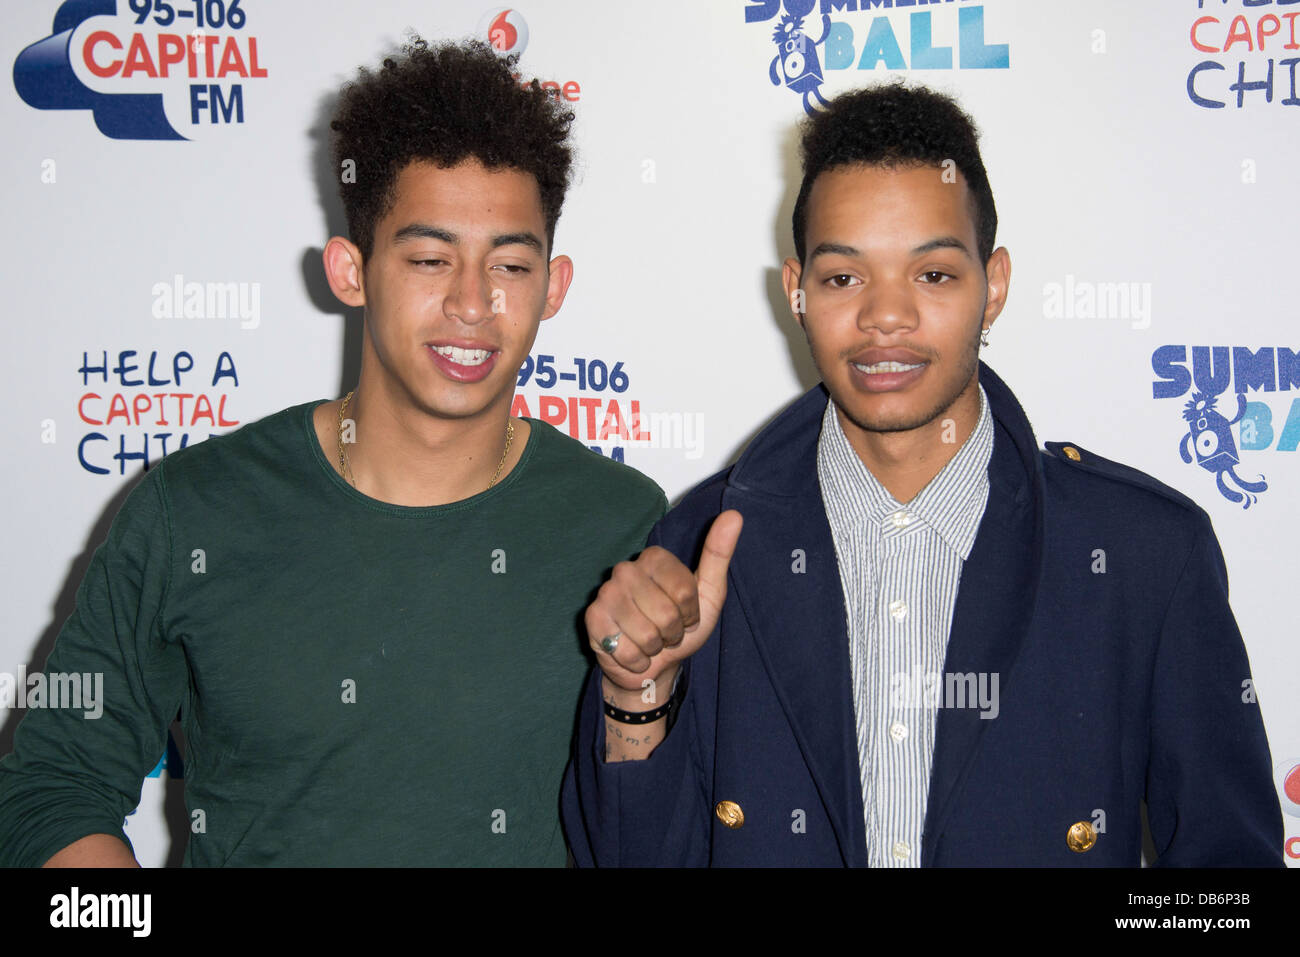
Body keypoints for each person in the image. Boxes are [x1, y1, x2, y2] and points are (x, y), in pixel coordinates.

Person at [561, 82, 1283, 867]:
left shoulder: (1142, 554)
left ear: (994, 284)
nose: (886, 317)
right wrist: (639, 696)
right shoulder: (702, 546)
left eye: (933, 275)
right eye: (844, 278)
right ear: (796, 291)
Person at [0, 38, 665, 867]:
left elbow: (672, 822)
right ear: (351, 271)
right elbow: (50, 790)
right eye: (429, 259)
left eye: (509, 264)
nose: (472, 302)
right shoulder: (195, 508)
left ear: (554, 286)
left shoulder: (623, 524)